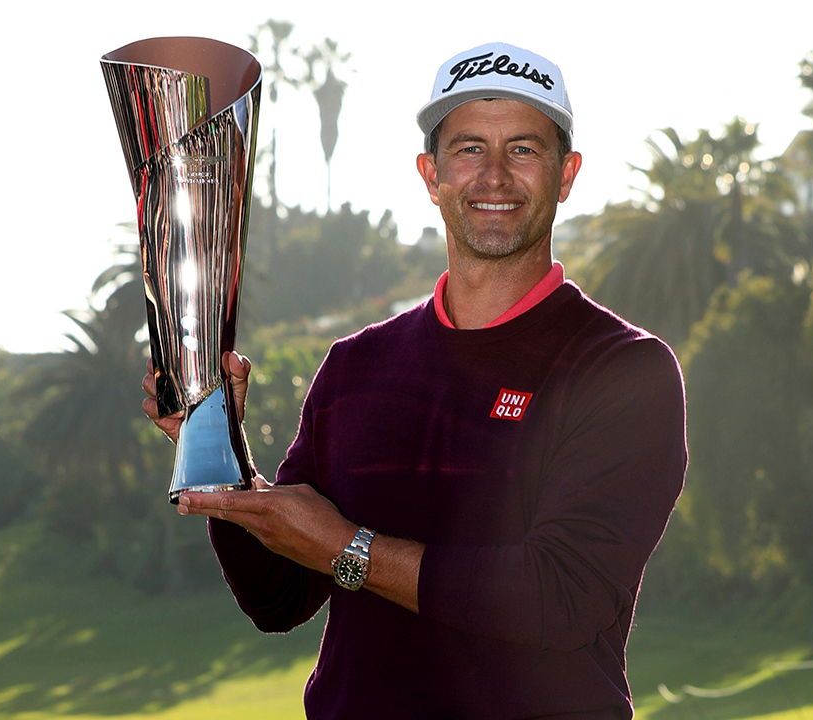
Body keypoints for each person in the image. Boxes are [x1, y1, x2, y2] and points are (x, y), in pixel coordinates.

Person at [143, 42, 687, 719]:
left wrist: (349, 548)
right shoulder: (355, 367)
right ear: (431, 175)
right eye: (467, 150)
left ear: (566, 173)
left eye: (523, 149)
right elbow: (279, 598)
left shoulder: (622, 369)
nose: (493, 175)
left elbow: (560, 597)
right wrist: (214, 447)